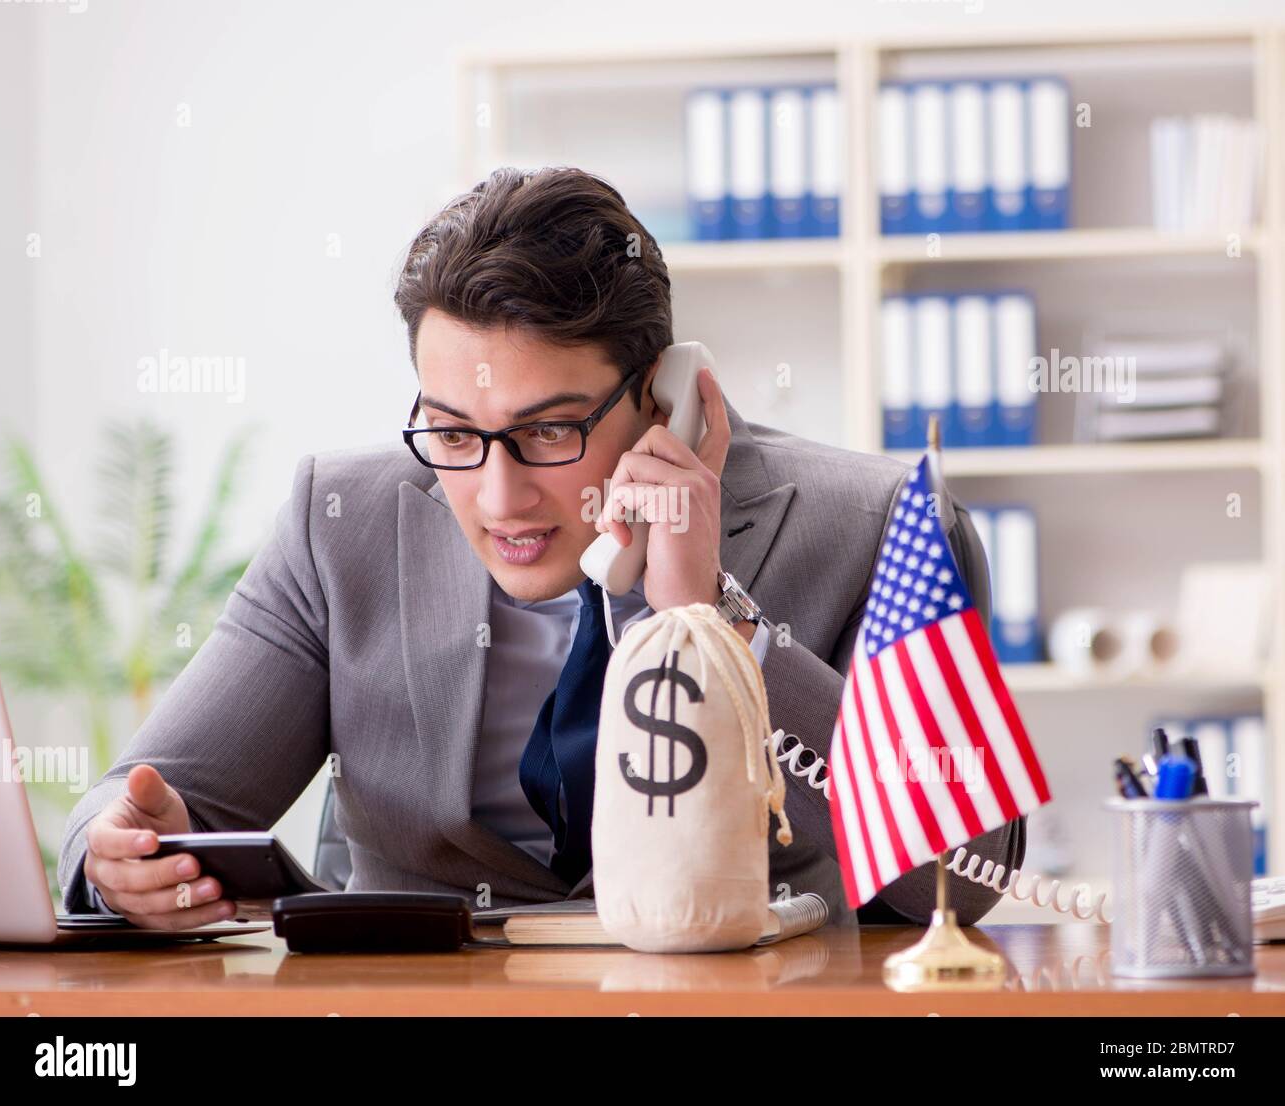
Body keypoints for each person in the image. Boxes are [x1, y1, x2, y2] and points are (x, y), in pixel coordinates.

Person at [58, 166, 1025, 930]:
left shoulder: (872, 523)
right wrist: (115, 856)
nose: (497, 494)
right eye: (451, 431)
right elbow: (139, 798)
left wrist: (712, 619)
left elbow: (962, 879)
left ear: (667, 399)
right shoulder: (338, 522)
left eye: (550, 432)